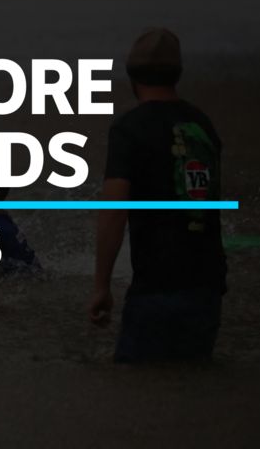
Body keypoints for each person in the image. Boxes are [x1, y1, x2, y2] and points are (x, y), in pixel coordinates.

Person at [88, 27, 226, 363]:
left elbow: (113, 211)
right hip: (208, 285)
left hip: (157, 284)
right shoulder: (202, 125)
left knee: (136, 386)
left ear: (131, 75)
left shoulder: (129, 129)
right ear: (178, 73)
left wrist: (101, 286)